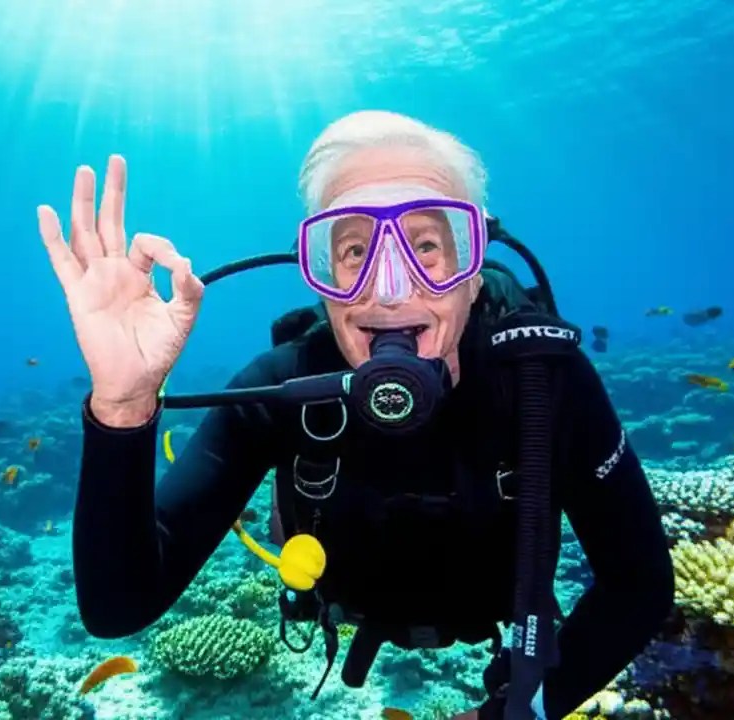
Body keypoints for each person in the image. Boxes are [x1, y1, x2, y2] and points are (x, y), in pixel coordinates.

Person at [39, 110, 674, 720]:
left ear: (474, 268)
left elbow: (639, 585)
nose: (389, 287)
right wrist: (121, 406)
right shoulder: (284, 389)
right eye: (352, 252)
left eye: (427, 245)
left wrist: (521, 710)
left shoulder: (542, 383)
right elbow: (117, 607)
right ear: (318, 276)